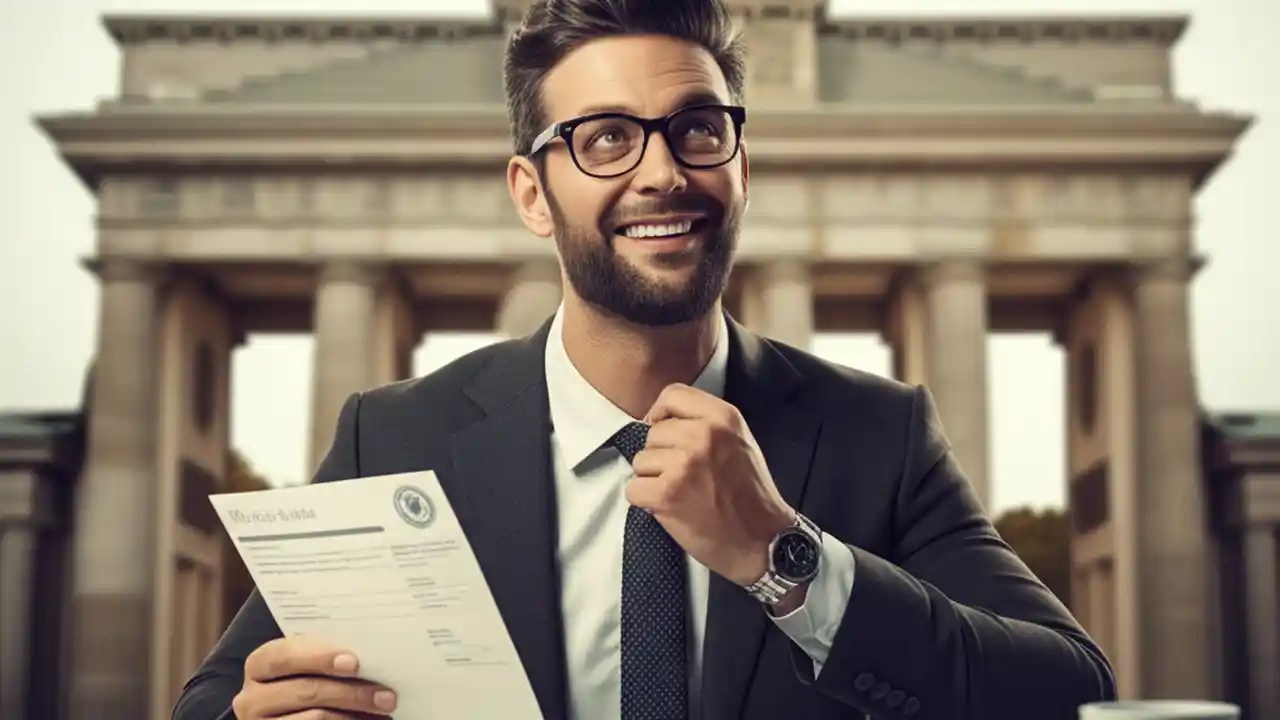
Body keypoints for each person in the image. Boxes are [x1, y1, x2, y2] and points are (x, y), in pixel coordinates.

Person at [173, 1, 1116, 718]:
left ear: (741, 168)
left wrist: (782, 559)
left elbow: (1071, 690)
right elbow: (220, 700)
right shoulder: (397, 435)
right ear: (533, 195)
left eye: (698, 128)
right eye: (606, 138)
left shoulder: (879, 432)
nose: (661, 172)